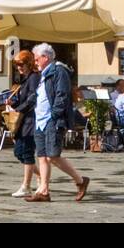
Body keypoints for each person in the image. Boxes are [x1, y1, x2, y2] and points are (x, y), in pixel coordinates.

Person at [26, 43, 88, 203]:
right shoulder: (44, 74)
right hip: (40, 121)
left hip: (51, 120)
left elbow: (62, 95)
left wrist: (54, 115)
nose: (35, 62)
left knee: (53, 155)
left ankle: (80, 180)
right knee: (42, 157)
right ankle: (44, 191)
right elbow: (39, 95)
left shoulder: (59, 71)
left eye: (37, 59)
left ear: (45, 58)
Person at [7, 50, 40, 197]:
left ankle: (26, 186)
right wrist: (13, 103)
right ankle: (41, 176)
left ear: (29, 63)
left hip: (30, 120)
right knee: (19, 152)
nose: (19, 67)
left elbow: (32, 99)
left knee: (26, 152)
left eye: (21, 64)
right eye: (16, 65)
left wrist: (18, 109)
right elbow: (24, 99)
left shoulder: (33, 78)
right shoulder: (25, 79)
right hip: (24, 120)